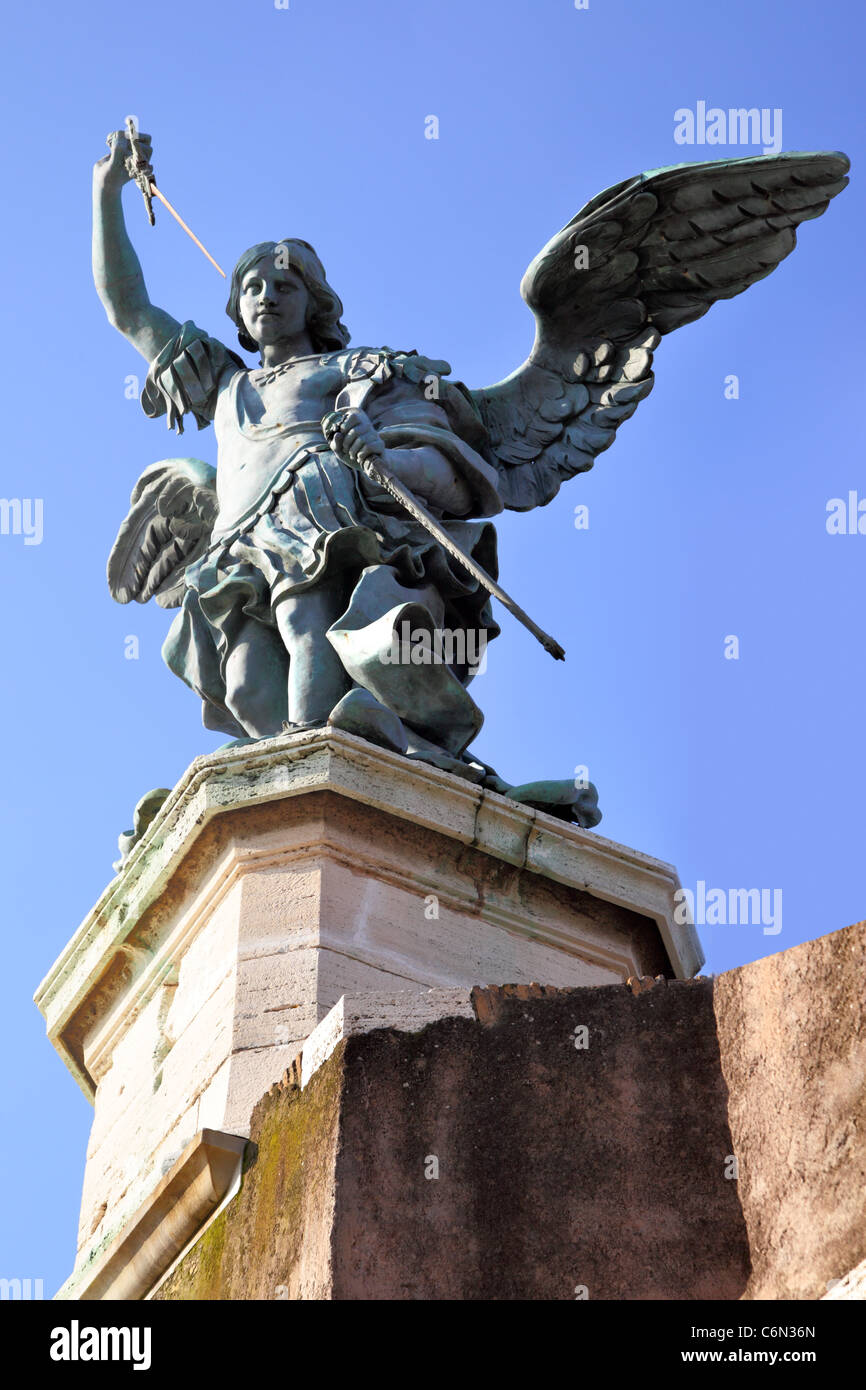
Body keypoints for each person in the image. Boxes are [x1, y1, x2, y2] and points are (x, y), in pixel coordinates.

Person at [94, 128, 505, 776]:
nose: (266, 295)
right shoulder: (223, 382)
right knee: (241, 682)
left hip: (308, 511)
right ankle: (314, 751)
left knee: (305, 627)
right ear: (236, 306)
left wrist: (382, 453)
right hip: (233, 535)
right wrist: (108, 191)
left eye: (284, 285)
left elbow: (445, 459)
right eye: (252, 286)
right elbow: (129, 307)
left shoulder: (349, 368)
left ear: (314, 301)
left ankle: (317, 748)